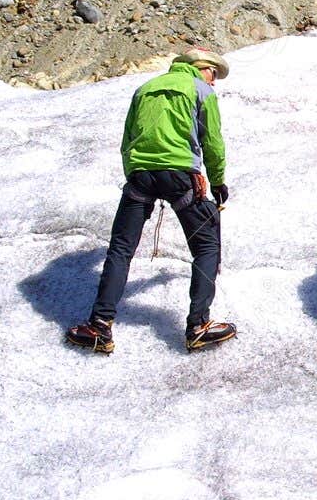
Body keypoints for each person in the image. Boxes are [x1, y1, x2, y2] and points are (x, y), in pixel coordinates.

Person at [66, 47, 237, 354]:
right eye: (213, 74)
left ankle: (99, 326)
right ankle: (198, 325)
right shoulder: (200, 91)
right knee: (207, 246)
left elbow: (127, 138)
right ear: (202, 68)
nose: (214, 81)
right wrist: (218, 180)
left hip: (140, 177)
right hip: (181, 176)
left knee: (121, 248)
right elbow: (212, 140)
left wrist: (136, 173)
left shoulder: (144, 89)